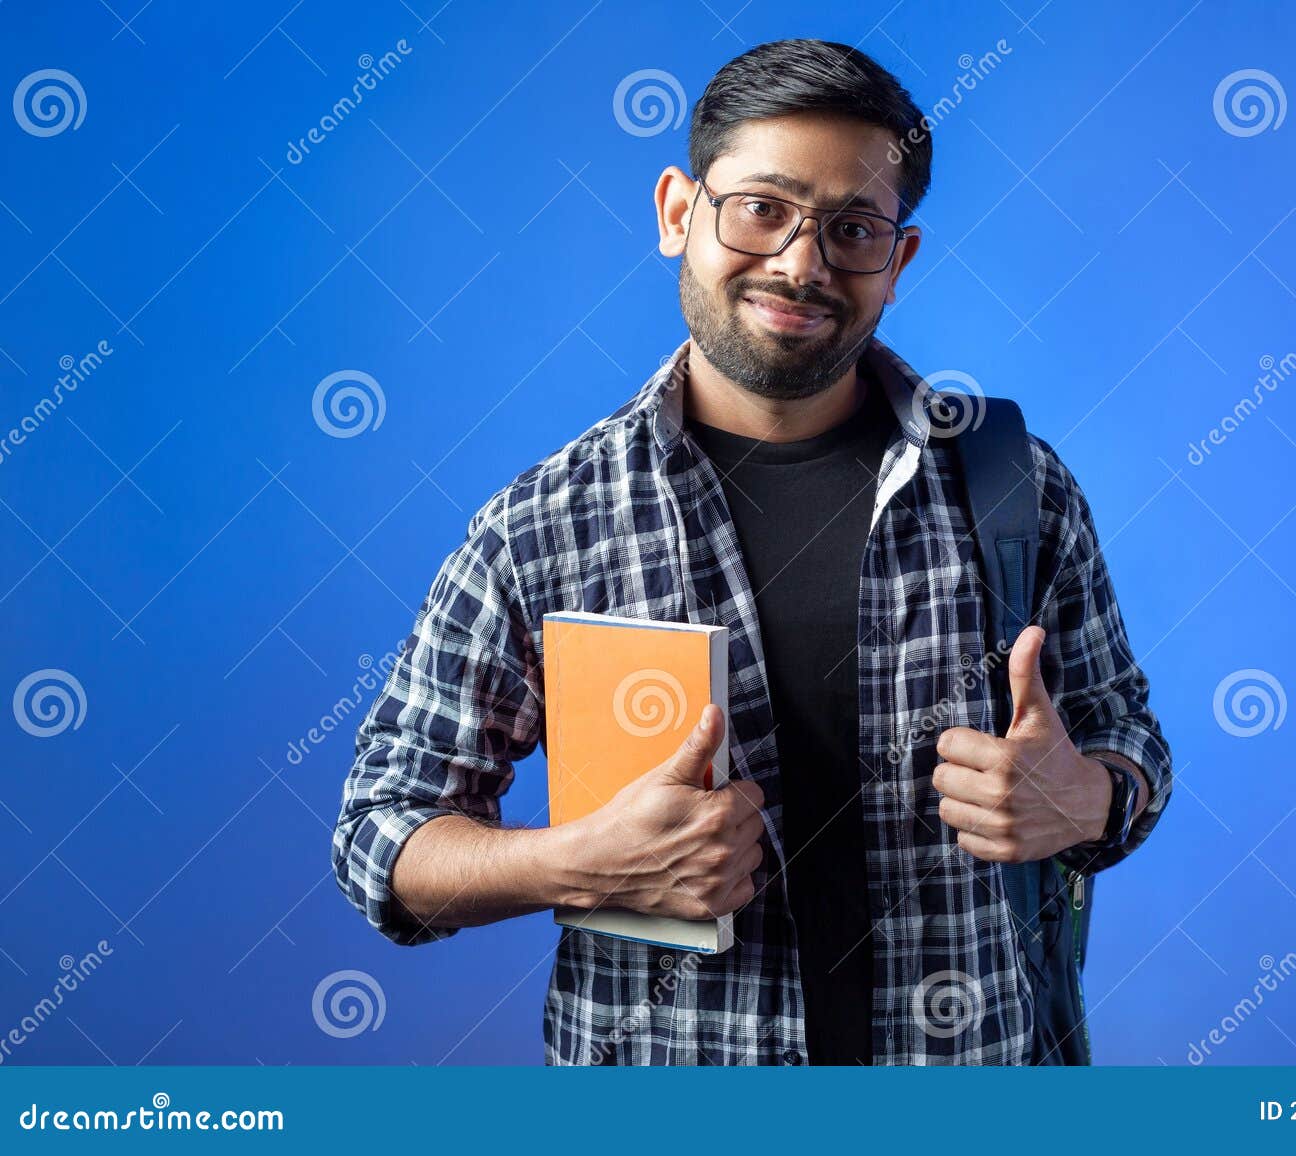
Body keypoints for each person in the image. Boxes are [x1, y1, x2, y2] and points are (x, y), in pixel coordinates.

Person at [332, 37, 1171, 1066]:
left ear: (896, 262)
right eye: (762, 209)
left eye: (852, 228)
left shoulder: (1011, 482)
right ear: (678, 212)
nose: (801, 264)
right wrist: (577, 863)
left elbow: (1125, 732)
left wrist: (1087, 798)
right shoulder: (542, 523)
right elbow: (384, 833)